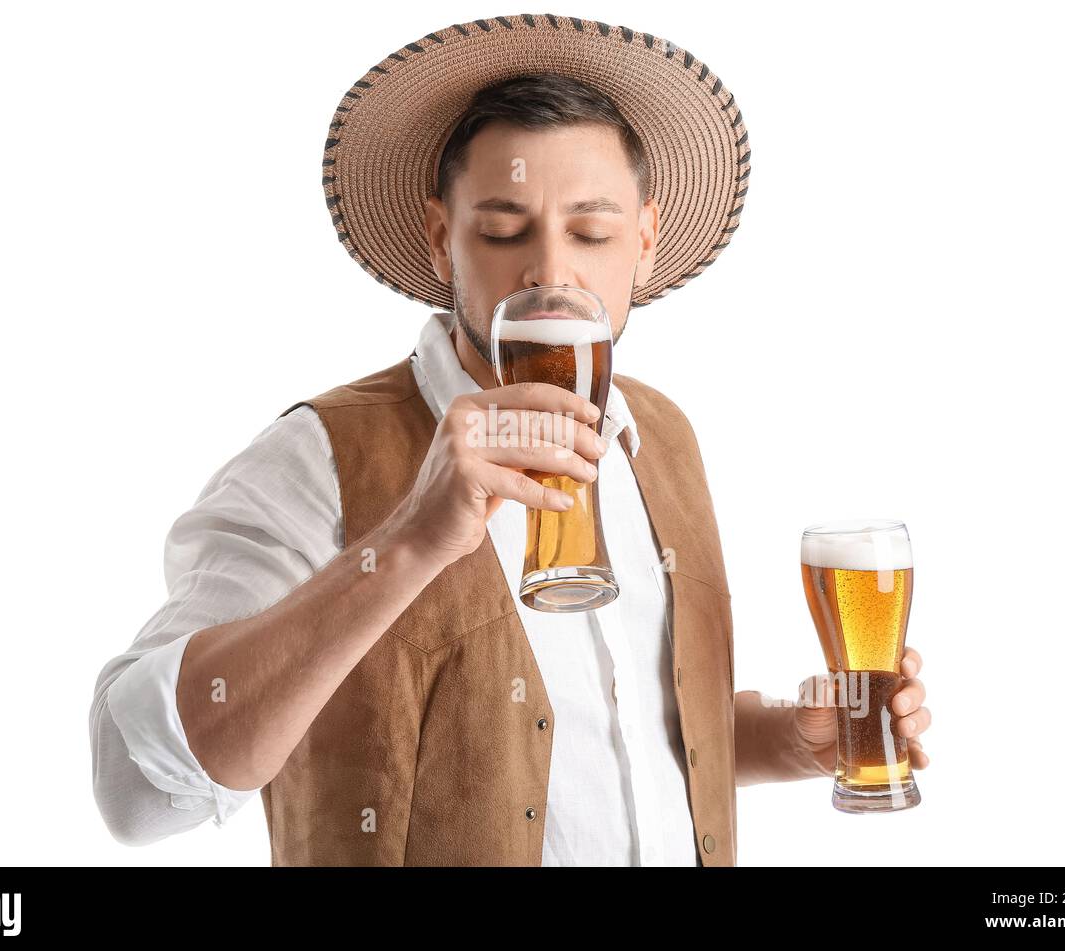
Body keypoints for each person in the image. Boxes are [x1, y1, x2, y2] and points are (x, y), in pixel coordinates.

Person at [89, 13, 932, 866]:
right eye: (502, 231)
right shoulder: (315, 458)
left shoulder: (663, 436)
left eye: (593, 233)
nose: (550, 274)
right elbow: (135, 792)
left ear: (644, 243)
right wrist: (409, 543)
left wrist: (796, 741)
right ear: (439, 238)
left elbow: (633, 736)